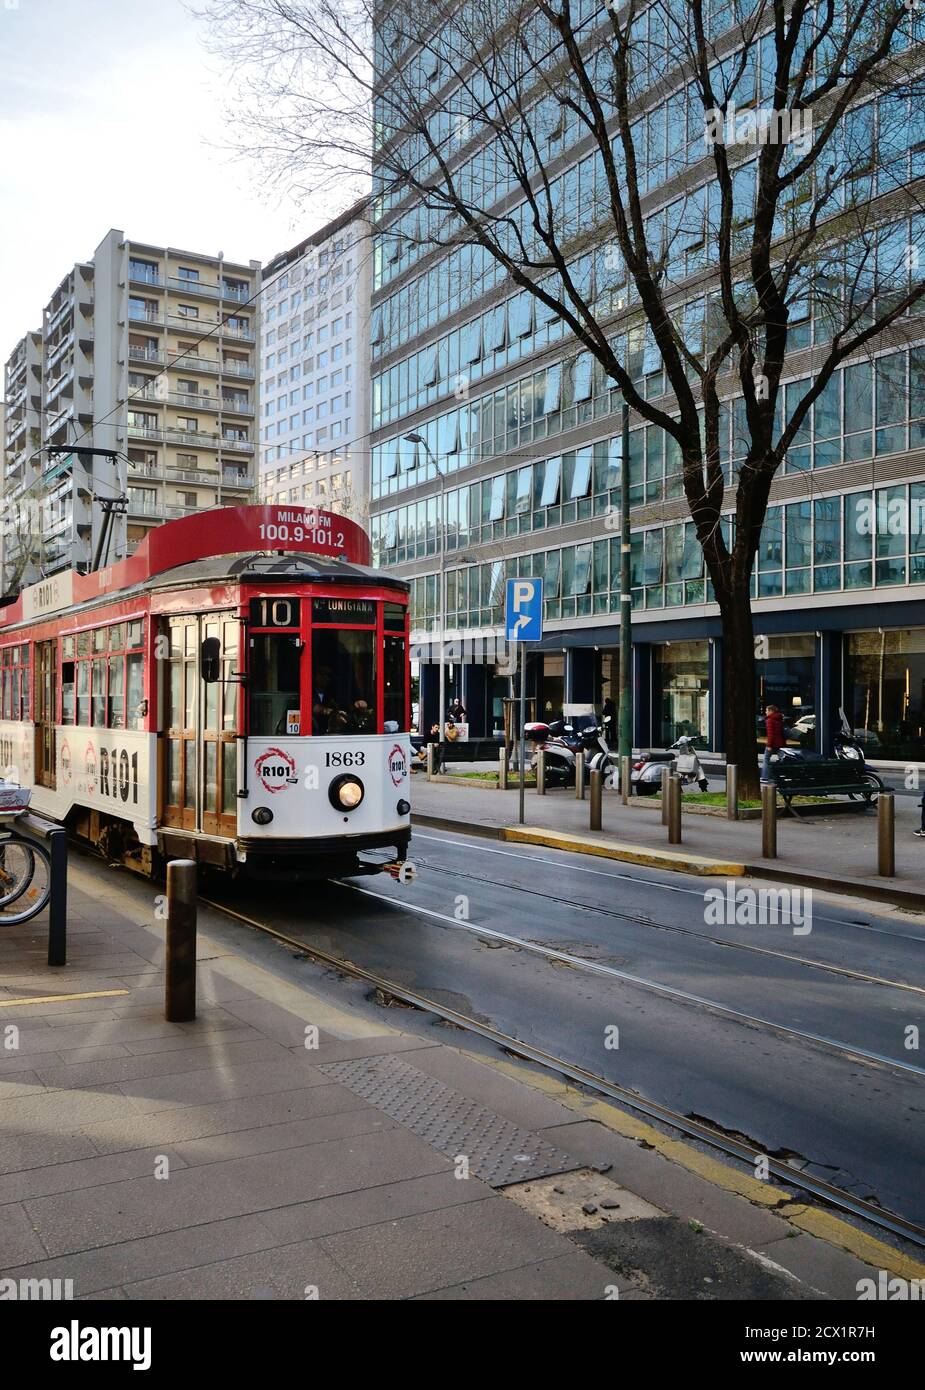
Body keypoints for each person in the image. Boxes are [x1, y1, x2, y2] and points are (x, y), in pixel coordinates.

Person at [762, 703, 785, 782]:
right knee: (783, 760)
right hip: (780, 743)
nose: (765, 712)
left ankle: (765, 777)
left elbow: (770, 734)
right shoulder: (780, 719)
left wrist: (769, 745)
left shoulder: (769, 720)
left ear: (771, 711)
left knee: (766, 759)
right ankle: (783, 775)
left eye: (766, 710)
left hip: (772, 744)